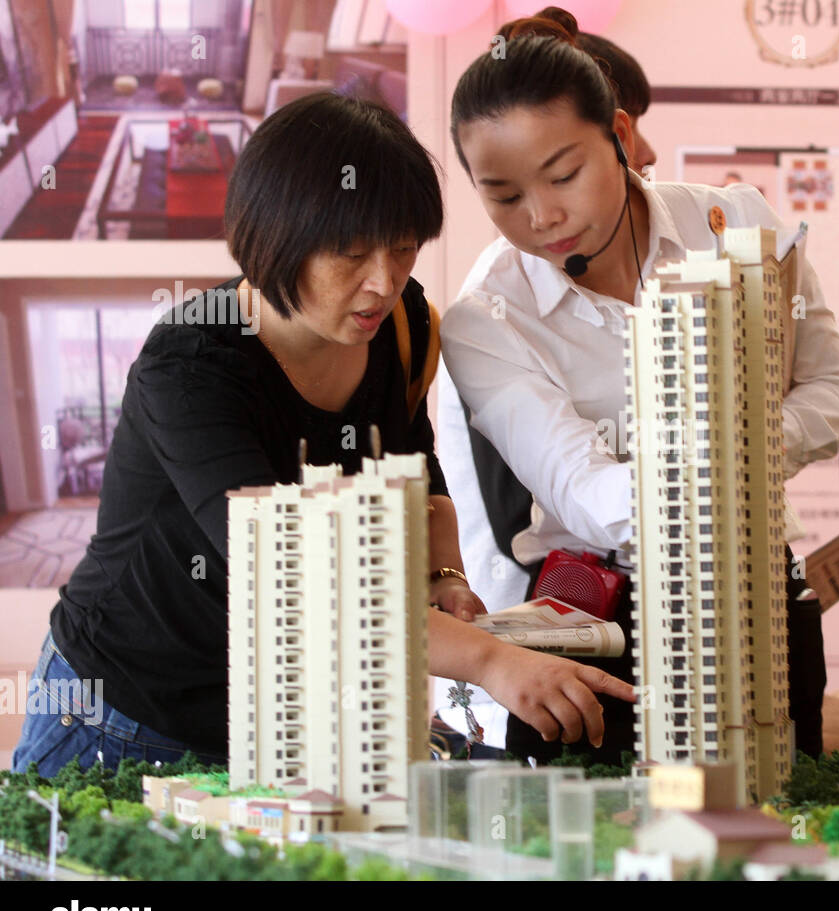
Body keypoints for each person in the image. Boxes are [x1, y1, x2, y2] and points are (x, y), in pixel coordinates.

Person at [11, 92, 633, 779]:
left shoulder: (403, 325)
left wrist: (442, 575)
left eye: (402, 249)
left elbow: (415, 474)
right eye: (349, 254)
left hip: (280, 716)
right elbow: (296, 575)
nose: (382, 282)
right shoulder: (192, 366)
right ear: (274, 237)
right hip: (125, 709)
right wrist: (488, 661)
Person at [440, 8, 839, 765]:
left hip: (761, 596)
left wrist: (734, 449)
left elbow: (835, 391)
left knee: (776, 829)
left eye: (564, 174)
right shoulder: (486, 317)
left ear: (622, 135)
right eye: (503, 197)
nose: (542, 217)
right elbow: (583, 491)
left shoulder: (733, 225)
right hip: (597, 625)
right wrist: (728, 467)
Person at [432, 23, 657, 749]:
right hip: (535, 653)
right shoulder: (494, 313)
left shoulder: (656, 255)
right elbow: (532, 517)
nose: (647, 156)